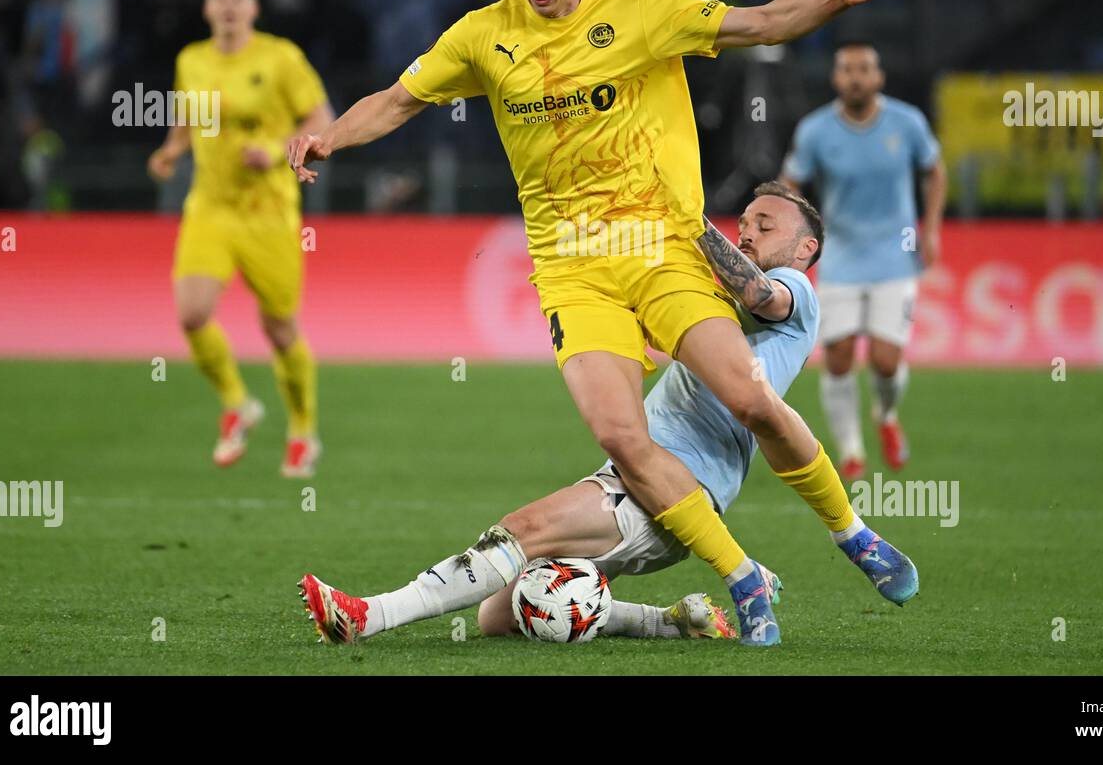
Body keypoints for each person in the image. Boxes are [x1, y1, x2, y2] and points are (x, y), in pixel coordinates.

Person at [289, 0, 900, 645]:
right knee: (619, 436)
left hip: (661, 249)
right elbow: (401, 99)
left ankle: (854, 535)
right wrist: (330, 136)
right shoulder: (485, 34)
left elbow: (758, 24)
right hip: (572, 269)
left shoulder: (643, 4)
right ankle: (744, 580)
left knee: (749, 400)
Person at [298, 185, 918, 645]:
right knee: (504, 615)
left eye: (765, 225)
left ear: (806, 248)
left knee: (522, 528)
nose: (747, 233)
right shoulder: (711, 308)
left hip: (664, 482)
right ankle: (674, 622)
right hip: (654, 496)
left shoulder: (796, 292)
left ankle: (368, 615)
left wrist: (687, 218)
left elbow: (758, 291)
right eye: (744, 222)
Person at [148, 0, 334, 477]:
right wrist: (169, 151)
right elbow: (188, 119)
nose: (228, 5)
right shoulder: (192, 60)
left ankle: (302, 430)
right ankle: (237, 402)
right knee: (191, 313)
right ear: (207, 8)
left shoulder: (280, 58)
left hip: (268, 212)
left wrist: (277, 151)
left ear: (253, 8)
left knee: (279, 329)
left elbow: (321, 119)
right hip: (209, 206)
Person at [779, 43, 946, 478]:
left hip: (896, 256)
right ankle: (851, 451)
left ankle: (886, 417)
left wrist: (930, 228)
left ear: (878, 77)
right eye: (847, 69)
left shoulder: (906, 122)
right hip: (840, 258)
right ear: (836, 79)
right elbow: (790, 182)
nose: (855, 77)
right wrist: (794, 234)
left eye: (864, 69)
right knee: (837, 357)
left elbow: (935, 170)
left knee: (886, 362)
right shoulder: (816, 130)